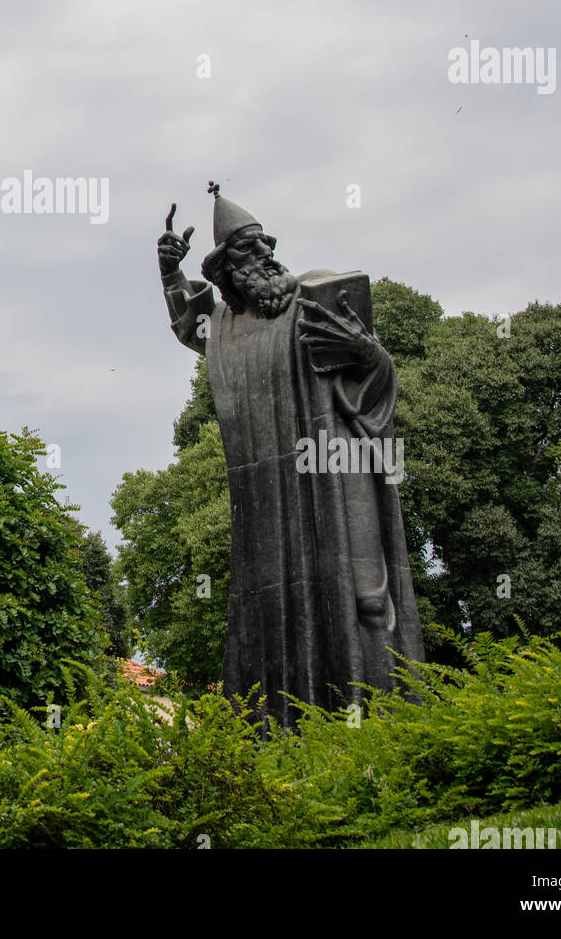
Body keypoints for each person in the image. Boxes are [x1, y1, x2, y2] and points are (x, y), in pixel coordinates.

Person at [158, 183, 424, 727]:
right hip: (272, 493)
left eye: (265, 244)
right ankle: (299, 732)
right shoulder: (227, 328)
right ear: (226, 269)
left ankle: (396, 728)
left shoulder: (315, 293)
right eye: (247, 250)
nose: (264, 256)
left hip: (338, 465)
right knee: (277, 611)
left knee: (367, 598)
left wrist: (366, 353)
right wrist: (168, 274)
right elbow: (193, 325)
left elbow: (375, 368)